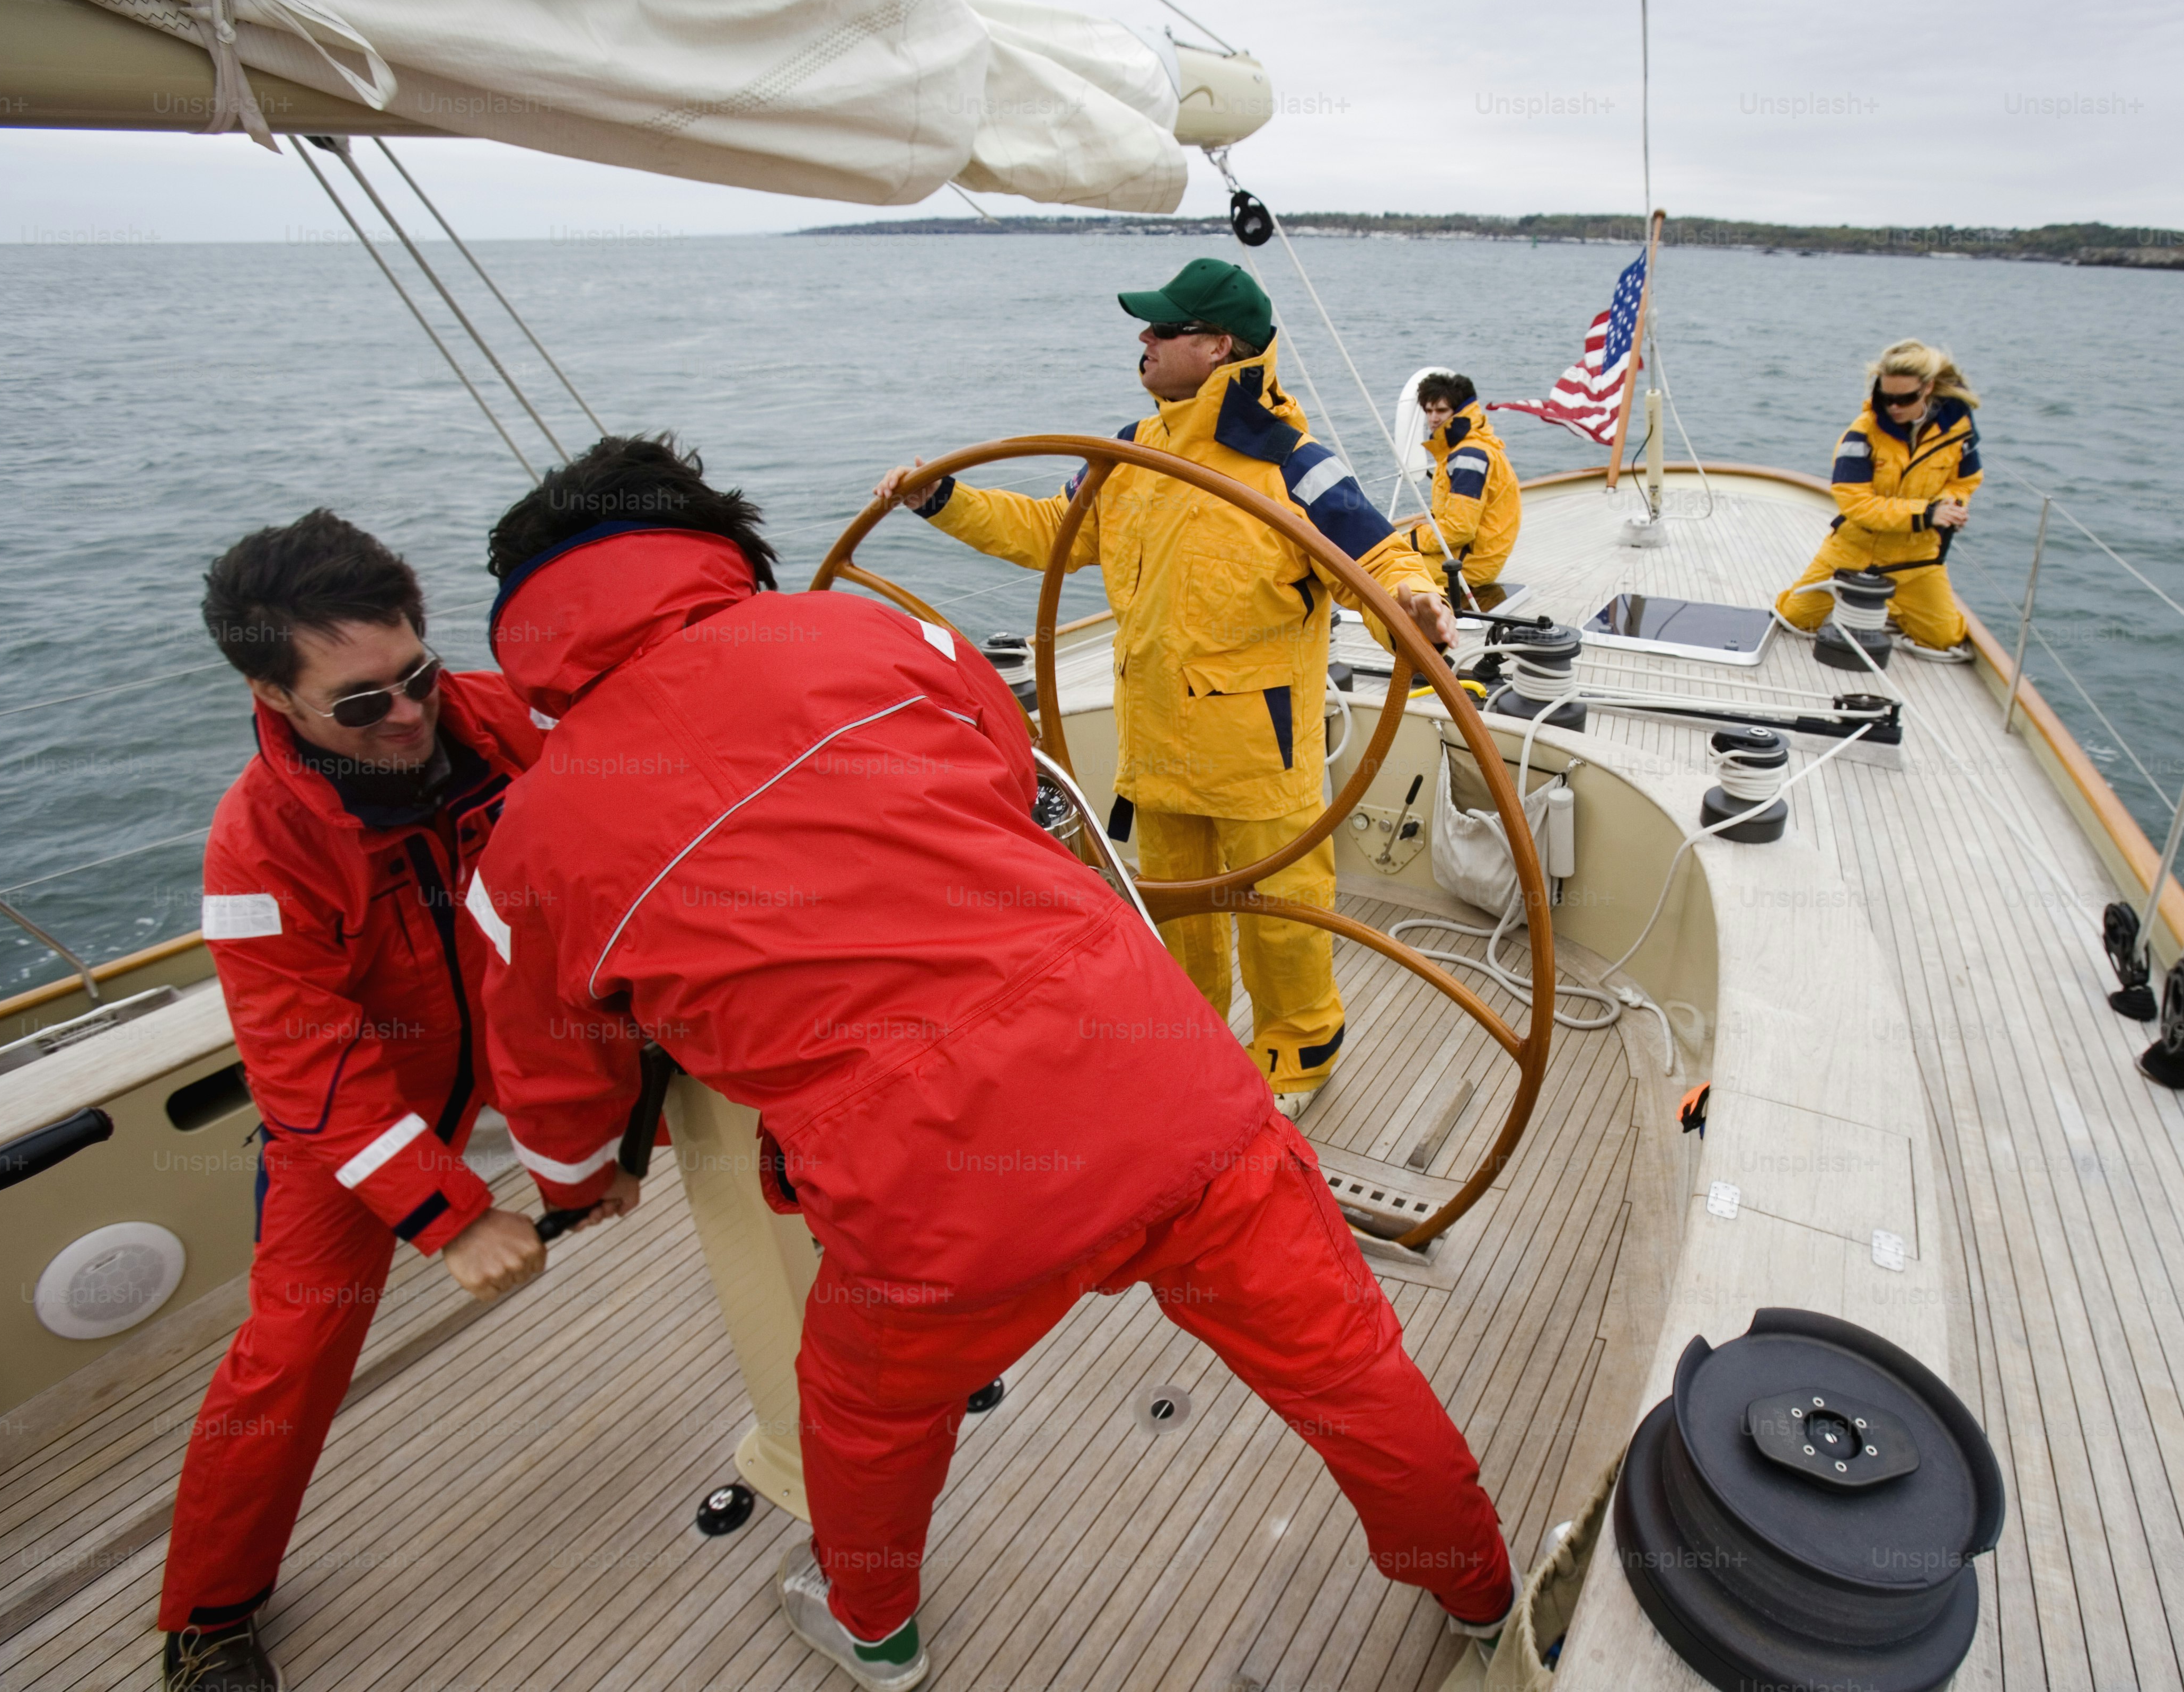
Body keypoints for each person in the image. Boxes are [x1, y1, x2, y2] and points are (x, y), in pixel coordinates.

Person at [468, 436, 1514, 1691]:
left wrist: (582, 1184)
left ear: (527, 633)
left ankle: (878, 1633)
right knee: (1346, 1364)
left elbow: (556, 1083)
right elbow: (1011, 776)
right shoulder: (874, 639)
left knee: (861, 1418)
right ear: (721, 550)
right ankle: (1479, 1587)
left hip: (932, 1205)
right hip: (1167, 1086)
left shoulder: (527, 849)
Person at [873, 259, 1455, 1114]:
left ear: (1218, 347)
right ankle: (1194, 1053)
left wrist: (1415, 600)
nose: (1142, 339)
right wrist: (943, 500)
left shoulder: (1297, 466)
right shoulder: (1129, 455)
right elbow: (1053, 531)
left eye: (1163, 328)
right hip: (1156, 749)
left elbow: (1377, 558)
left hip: (1261, 754)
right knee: (1176, 919)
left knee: (1281, 917)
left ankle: (1299, 1055)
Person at [161, 511, 561, 1691]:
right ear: (271, 694)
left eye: (416, 675)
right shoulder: (257, 849)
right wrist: (451, 1212)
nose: (407, 714)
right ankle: (210, 1615)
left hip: (529, 1030)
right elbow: (308, 1062)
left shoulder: (496, 718)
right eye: (360, 702)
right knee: (288, 1352)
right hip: (365, 1108)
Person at [1773, 339, 1984, 662]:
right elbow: (1856, 504)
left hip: (1917, 558)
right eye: (1886, 398)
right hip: (1853, 550)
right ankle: (1885, 602)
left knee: (1943, 640)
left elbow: (1964, 480)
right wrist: (1927, 514)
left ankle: (1894, 604)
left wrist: (1950, 506)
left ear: (1927, 389)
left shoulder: (1959, 430)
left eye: (1905, 399)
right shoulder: (1861, 435)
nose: (1894, 407)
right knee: (1795, 619)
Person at [1407, 371, 1522, 611]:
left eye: (1441, 411)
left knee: (1389, 567)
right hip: (1474, 554)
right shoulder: (1470, 447)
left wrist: (1413, 540)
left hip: (1473, 563)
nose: (1433, 418)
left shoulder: (1469, 456)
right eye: (1428, 411)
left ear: (1460, 412)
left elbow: (1460, 529)